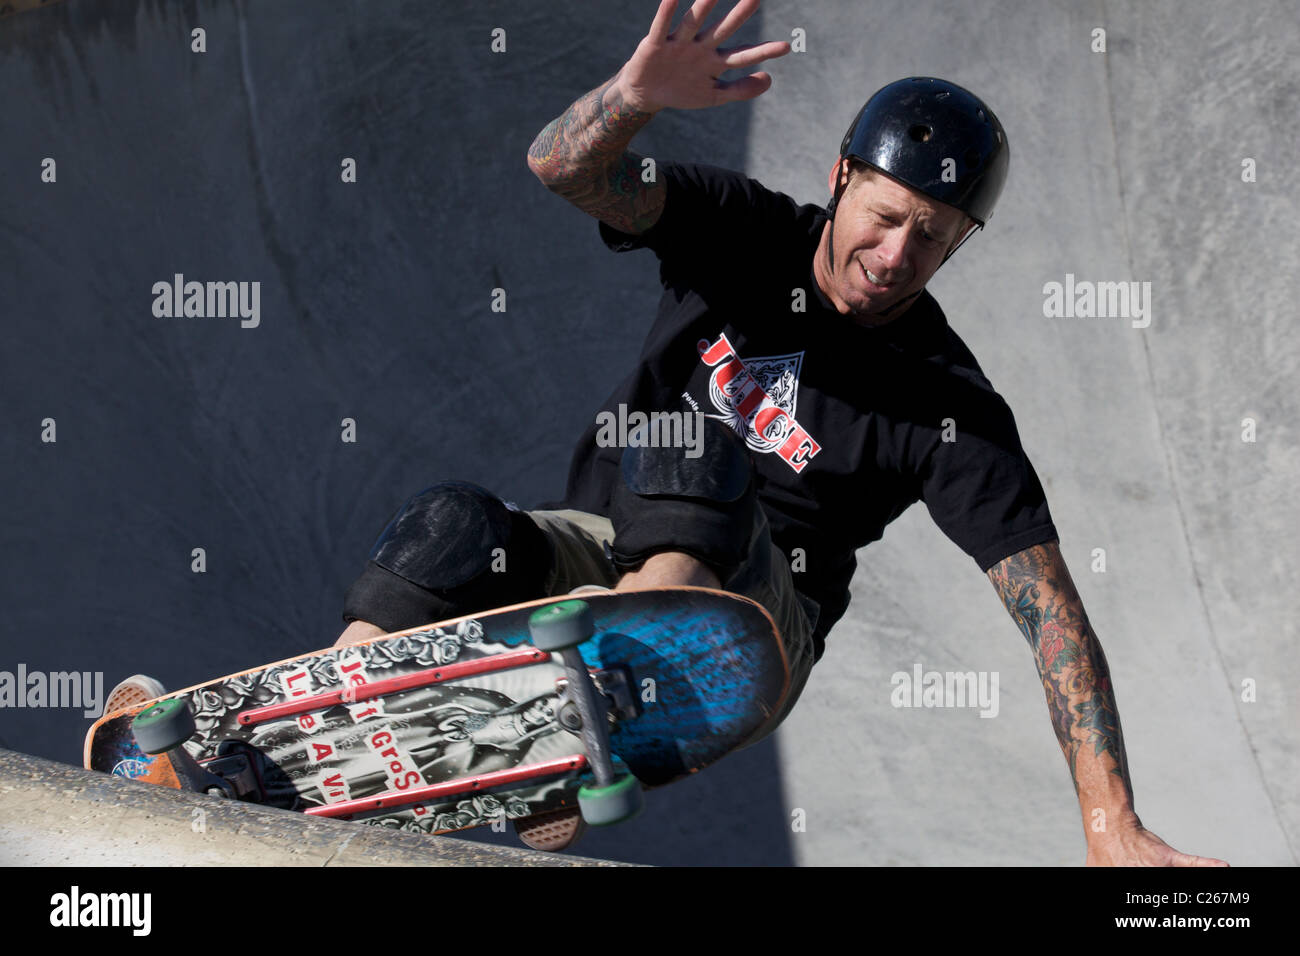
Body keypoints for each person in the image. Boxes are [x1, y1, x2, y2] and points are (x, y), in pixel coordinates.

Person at [106, 0, 1227, 865]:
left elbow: (1050, 613)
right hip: (596, 551)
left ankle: (632, 645)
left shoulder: (946, 399)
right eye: (885, 218)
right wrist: (636, 96)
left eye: (932, 241)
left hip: (748, 619)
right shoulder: (739, 229)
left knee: (691, 442)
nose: (896, 256)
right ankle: (320, 707)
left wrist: (1108, 820)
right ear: (841, 178)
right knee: (456, 523)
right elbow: (563, 166)